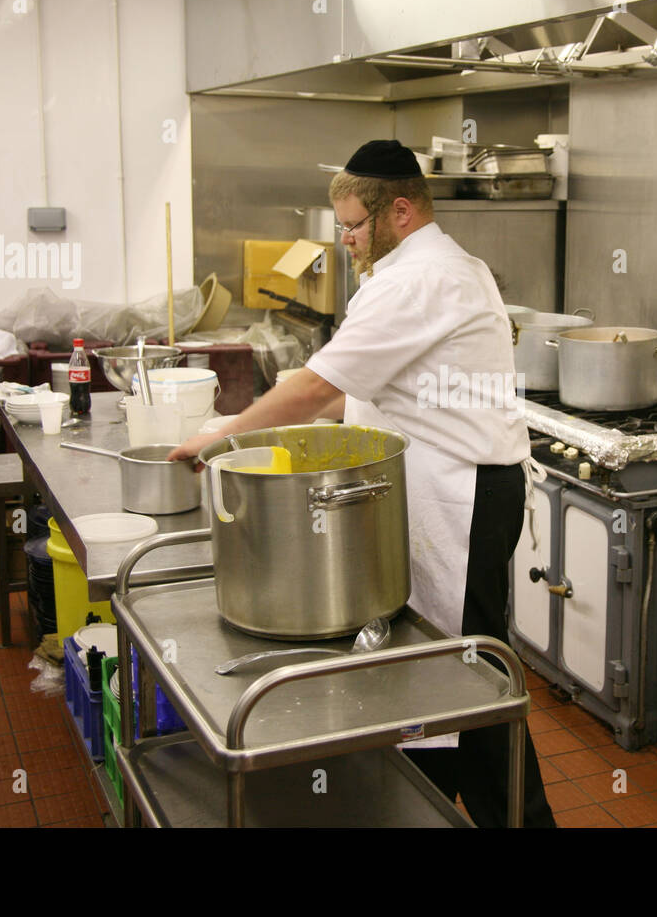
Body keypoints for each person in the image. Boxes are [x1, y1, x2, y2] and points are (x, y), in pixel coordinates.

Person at [169, 140, 555, 828]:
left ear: (399, 211)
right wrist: (264, 423)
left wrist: (222, 438)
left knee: (466, 684)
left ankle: (517, 820)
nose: (343, 239)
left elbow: (317, 386)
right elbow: (342, 395)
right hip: (447, 490)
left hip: (462, 500)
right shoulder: (423, 268)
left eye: (351, 224)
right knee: (433, 675)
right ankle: (425, 805)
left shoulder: (420, 279)